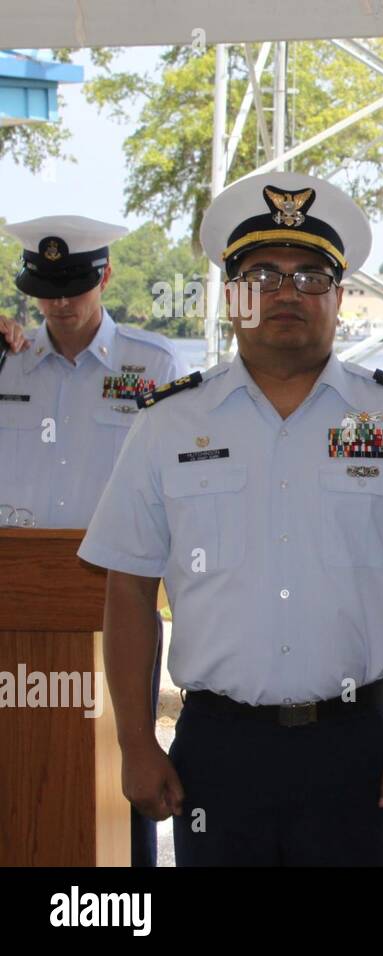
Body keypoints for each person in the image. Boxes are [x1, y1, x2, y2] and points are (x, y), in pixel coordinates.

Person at [77, 172, 383, 865]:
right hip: (218, 748)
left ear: (341, 299)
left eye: (311, 276)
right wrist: (136, 743)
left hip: (357, 749)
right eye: (261, 275)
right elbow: (130, 588)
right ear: (232, 297)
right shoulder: (169, 425)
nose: (286, 293)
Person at [0, 215, 187, 867]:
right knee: (18, 780)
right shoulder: (7, 361)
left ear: (103, 277)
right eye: (44, 287)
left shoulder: (152, 364)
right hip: (14, 613)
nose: (58, 302)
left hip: (118, 606)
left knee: (121, 774)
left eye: (73, 285)